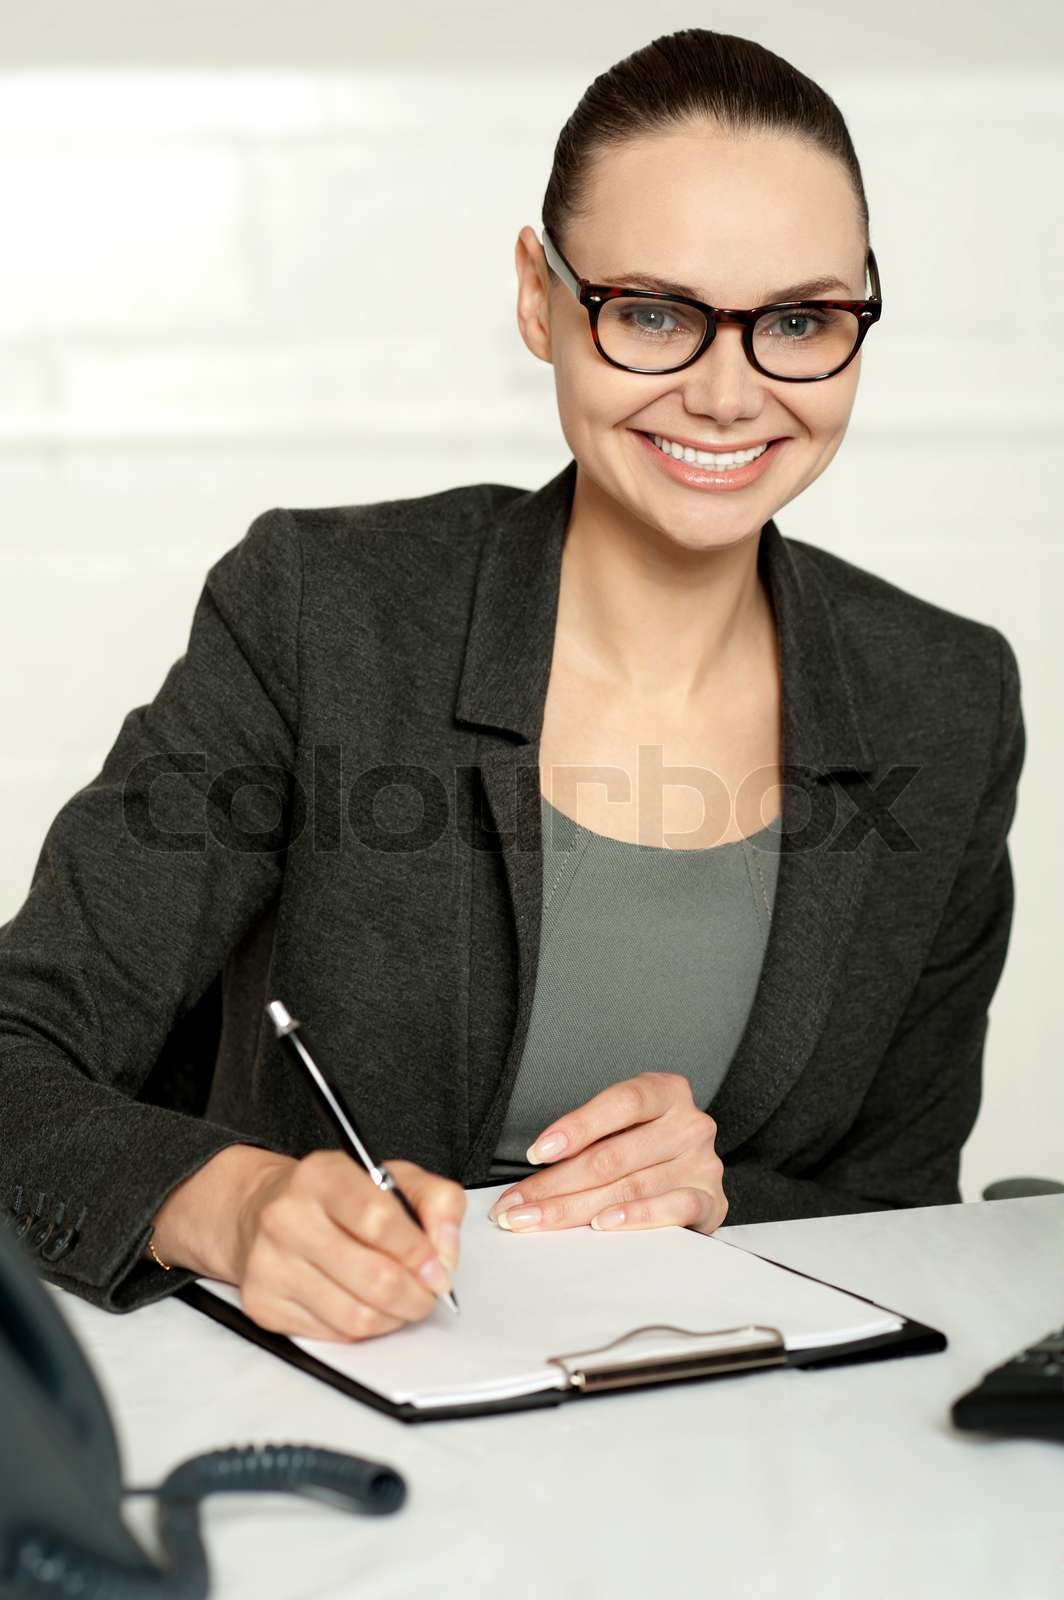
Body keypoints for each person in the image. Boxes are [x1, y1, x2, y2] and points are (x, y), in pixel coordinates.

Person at [0, 29, 1024, 1345]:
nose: (726, 395)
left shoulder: (947, 698)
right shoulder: (324, 609)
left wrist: (718, 1200)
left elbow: (901, 1207)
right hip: (347, 1430)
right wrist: (237, 1205)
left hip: (736, 1453)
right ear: (541, 297)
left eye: (799, 322)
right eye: (653, 313)